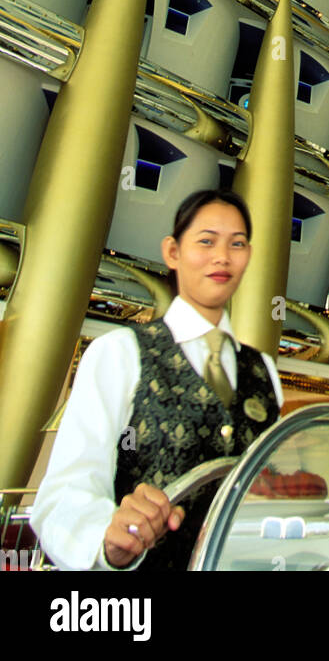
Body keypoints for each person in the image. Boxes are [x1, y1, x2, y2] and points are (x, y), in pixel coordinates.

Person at [31, 188, 283, 571]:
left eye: (237, 243)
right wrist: (107, 540)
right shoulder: (119, 353)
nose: (222, 256)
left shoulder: (262, 368)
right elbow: (64, 495)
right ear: (172, 252)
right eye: (206, 241)